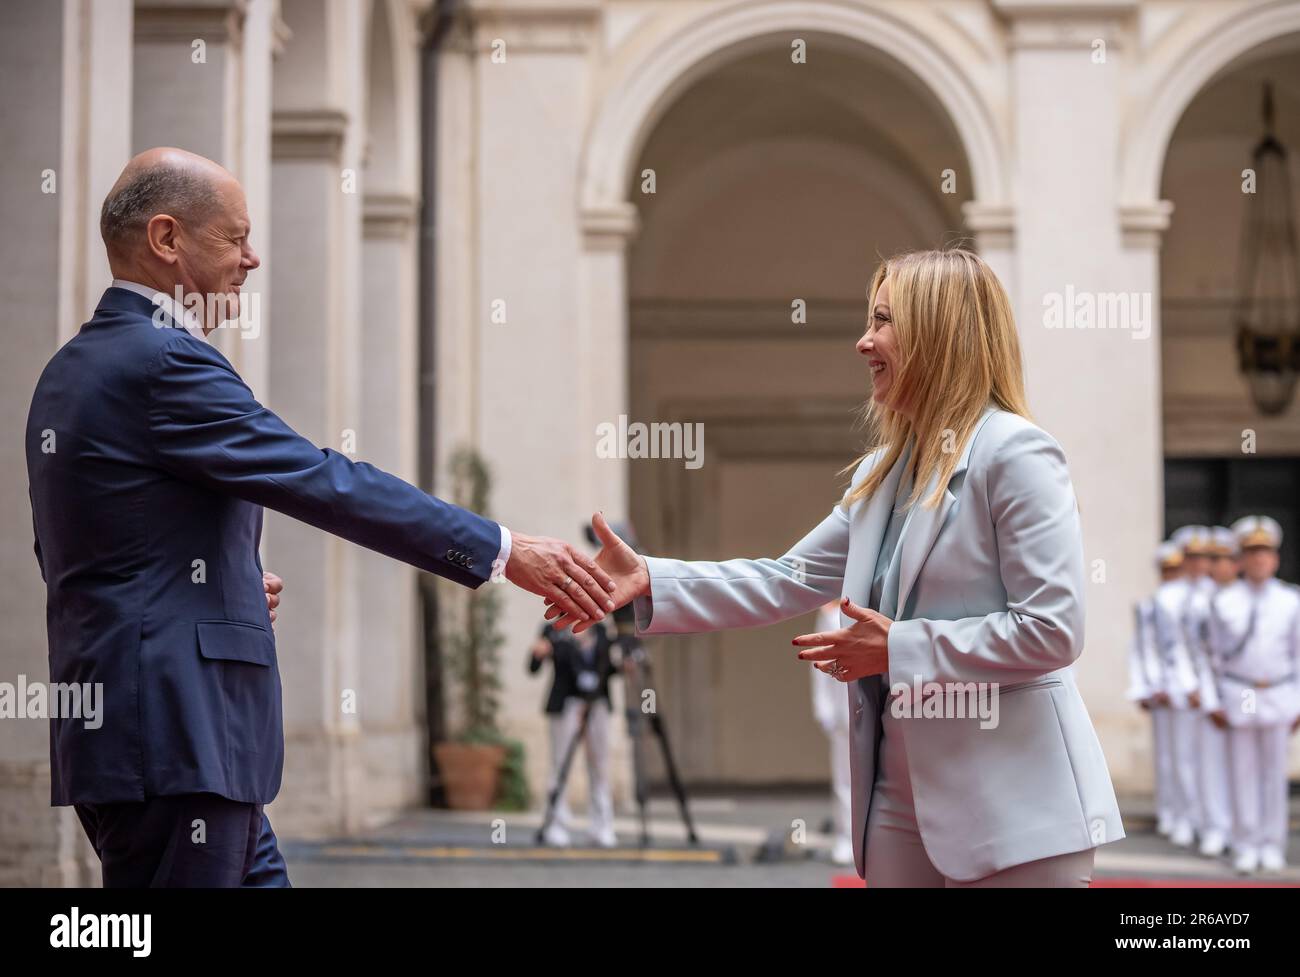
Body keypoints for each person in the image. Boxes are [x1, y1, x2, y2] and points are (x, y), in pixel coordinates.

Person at [25, 147, 616, 888]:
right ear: (168, 239)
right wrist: (501, 548)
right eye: (234, 238)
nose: (253, 258)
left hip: (167, 739)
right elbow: (323, 478)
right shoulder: (164, 363)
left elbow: (80, 550)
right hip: (178, 740)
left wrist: (222, 577)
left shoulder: (72, 369)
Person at [549, 247, 1125, 887]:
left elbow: (1053, 629)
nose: (863, 341)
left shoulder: (1015, 453)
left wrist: (899, 648)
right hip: (898, 809)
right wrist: (649, 579)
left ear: (939, 333)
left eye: (883, 321)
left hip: (1016, 813)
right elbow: (785, 578)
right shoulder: (886, 477)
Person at [1206, 516, 1300, 874]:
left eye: (1266, 552)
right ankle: (1245, 843)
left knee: (1273, 775)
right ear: (1240, 559)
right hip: (1238, 690)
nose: (1260, 560)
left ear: (1275, 558)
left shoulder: (1291, 600)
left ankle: (1271, 844)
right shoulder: (1224, 601)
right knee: (1241, 773)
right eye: (1252, 553)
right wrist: (1214, 701)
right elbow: (1211, 657)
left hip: (1279, 690)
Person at [528, 622, 619, 848]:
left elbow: (608, 668)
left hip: (596, 703)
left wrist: (623, 663)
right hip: (566, 704)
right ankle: (555, 824)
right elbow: (533, 667)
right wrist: (539, 652)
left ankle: (602, 826)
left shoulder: (600, 631)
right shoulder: (553, 629)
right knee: (560, 765)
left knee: (599, 764)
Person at [1150, 525, 1212, 847]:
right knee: (1180, 757)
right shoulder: (1168, 598)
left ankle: (1210, 820)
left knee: (1212, 761)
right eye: (1192, 558)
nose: (1199, 564)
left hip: (1217, 692)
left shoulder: (1219, 594)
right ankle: (1184, 816)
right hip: (1181, 689)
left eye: (1204, 557)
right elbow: (1164, 648)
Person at [1126, 541, 1191, 838]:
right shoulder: (1150, 606)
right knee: (1167, 758)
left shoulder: (1195, 602)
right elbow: (1142, 648)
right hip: (1162, 689)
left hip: (1190, 691)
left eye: (1175, 569)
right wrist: (1147, 686)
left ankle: (1189, 817)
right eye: (1167, 570)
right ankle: (1170, 814)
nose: (1172, 575)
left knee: (1189, 758)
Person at [1186, 526, 1240, 857]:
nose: (1219, 566)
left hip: (1242, 693)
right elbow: (1194, 653)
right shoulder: (1198, 602)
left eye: (1225, 559)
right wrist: (1201, 693)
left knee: (1242, 766)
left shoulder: (1244, 597)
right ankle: (1214, 827)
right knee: (1209, 763)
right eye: (1213, 559)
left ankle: (1239, 829)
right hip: (1209, 693)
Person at [810, 600, 853, 866]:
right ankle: (845, 837)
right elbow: (819, 658)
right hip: (841, 708)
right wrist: (823, 707)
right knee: (844, 780)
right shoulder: (829, 611)